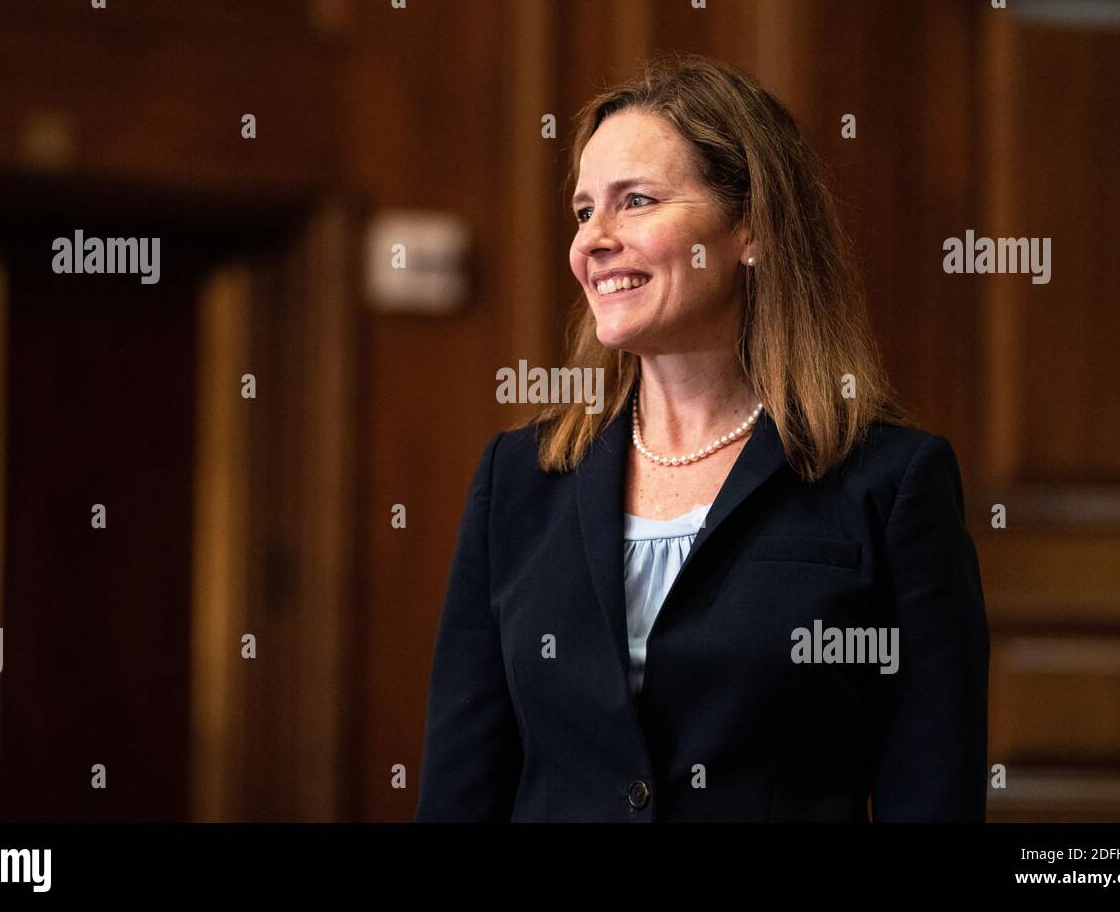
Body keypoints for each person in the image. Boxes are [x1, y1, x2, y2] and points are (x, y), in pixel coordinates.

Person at [415, 52, 989, 822]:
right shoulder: (517, 480)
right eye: (585, 210)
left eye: (637, 201)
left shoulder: (889, 481)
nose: (593, 240)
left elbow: (934, 793)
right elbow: (461, 790)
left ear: (751, 229)